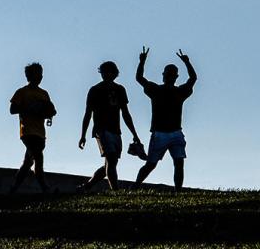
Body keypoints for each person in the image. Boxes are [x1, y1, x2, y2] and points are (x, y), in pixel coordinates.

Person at [134, 47, 197, 191]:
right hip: (163, 133)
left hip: (172, 132)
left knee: (177, 163)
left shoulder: (163, 90)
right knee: (154, 164)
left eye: (170, 74)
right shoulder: (170, 91)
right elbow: (193, 79)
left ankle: (177, 192)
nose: (169, 76)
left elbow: (139, 78)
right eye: (169, 74)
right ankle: (136, 187)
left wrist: (142, 61)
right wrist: (187, 62)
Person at [77, 61, 141, 192]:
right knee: (111, 160)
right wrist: (83, 135)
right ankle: (115, 192)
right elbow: (88, 113)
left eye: (109, 72)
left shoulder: (120, 89)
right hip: (101, 130)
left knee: (110, 163)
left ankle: (87, 186)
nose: (106, 74)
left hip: (116, 130)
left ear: (115, 73)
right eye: (104, 72)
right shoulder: (95, 90)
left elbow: (125, 113)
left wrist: (134, 134)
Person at [9, 62, 56, 193]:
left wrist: (49, 112)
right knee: (38, 158)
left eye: (41, 74)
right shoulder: (22, 92)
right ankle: (46, 189)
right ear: (29, 76)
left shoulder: (44, 93)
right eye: (37, 74)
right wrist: (30, 107)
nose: (40, 77)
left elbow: (51, 111)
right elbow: (12, 109)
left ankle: (13, 189)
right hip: (28, 131)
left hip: (40, 132)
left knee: (28, 163)